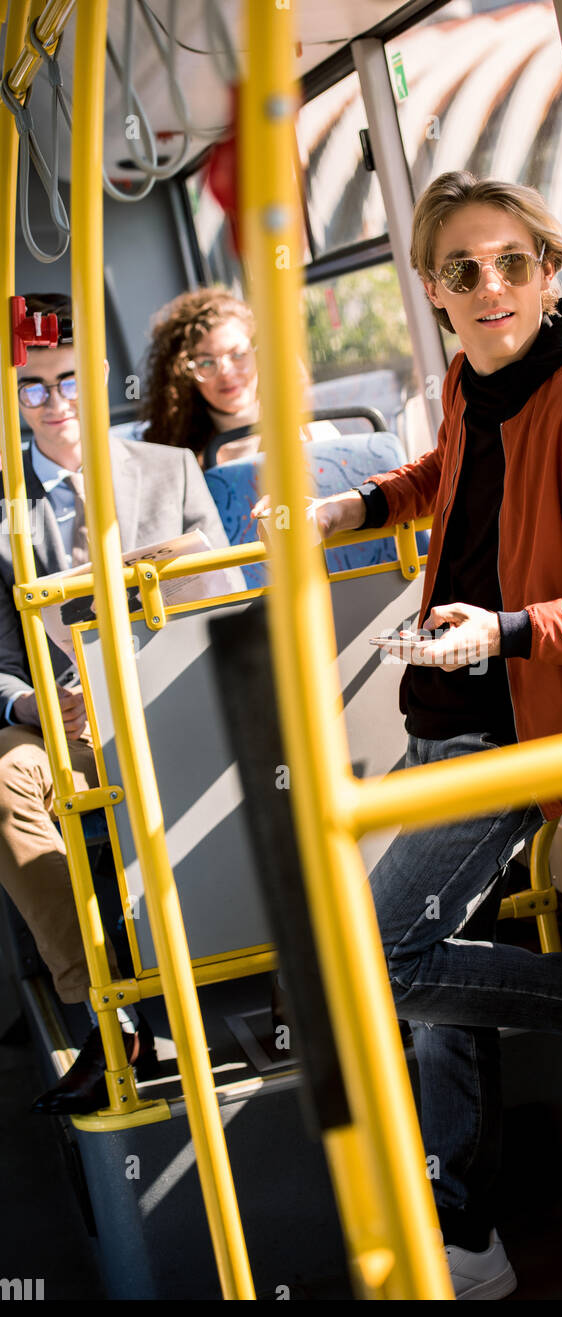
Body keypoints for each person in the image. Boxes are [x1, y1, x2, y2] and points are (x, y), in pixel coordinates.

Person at [306, 173, 562, 1298]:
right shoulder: (471, 383)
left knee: (387, 958)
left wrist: (512, 630)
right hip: (449, 714)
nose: (492, 289)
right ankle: (466, 1228)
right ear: (434, 291)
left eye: (513, 265)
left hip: (521, 728)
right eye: (464, 271)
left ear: (551, 271)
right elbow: (459, 472)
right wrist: (371, 504)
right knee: (443, 996)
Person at [0, 294, 235, 1115]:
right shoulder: (4, 503)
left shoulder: (170, 472)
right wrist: (32, 704)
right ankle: (107, 1015)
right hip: (64, 722)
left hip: (177, 690)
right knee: (4, 786)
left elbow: (228, 597)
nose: (57, 405)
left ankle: (274, 979)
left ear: (97, 377)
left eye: (69, 381)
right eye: (33, 390)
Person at [139, 287, 260, 467]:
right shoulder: (178, 462)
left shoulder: (307, 429)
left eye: (238, 354)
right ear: (184, 375)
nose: (225, 372)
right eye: (206, 363)